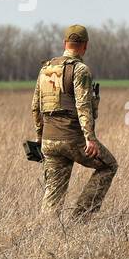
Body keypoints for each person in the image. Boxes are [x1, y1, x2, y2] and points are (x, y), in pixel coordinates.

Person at [30, 24, 118, 218]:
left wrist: (39, 137)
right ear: (85, 46)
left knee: (53, 193)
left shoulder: (45, 69)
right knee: (109, 166)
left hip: (49, 141)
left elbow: (36, 106)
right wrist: (90, 138)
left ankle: (46, 234)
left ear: (65, 43)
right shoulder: (80, 70)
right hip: (72, 138)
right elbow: (83, 106)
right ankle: (81, 217)